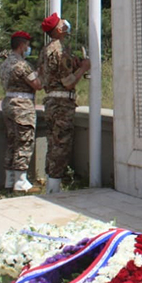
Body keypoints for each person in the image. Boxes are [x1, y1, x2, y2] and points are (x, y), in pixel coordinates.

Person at [39, 13, 91, 194]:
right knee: (61, 144)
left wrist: (74, 66)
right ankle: (54, 188)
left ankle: (51, 183)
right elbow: (68, 82)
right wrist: (83, 68)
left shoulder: (46, 49)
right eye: (62, 22)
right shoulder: (60, 50)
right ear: (59, 29)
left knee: (53, 142)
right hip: (62, 102)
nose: (65, 24)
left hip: (51, 101)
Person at [0, 31, 42, 192]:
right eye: (27, 45)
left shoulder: (5, 64)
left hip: (8, 103)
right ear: (22, 45)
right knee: (24, 140)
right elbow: (36, 84)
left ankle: (9, 179)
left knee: (12, 141)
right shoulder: (21, 64)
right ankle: (21, 181)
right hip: (22, 106)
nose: (28, 48)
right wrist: (42, 75)